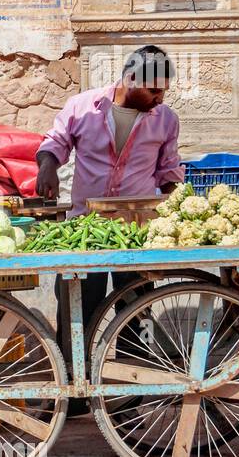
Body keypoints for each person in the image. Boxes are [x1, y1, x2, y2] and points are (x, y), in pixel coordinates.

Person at [36, 45, 185, 376]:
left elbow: (169, 170)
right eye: (154, 90)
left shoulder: (166, 121)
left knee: (135, 311)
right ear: (131, 79)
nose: (160, 98)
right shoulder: (83, 106)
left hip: (136, 233)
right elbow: (56, 141)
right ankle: (73, 388)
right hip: (85, 228)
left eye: (164, 90)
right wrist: (46, 165)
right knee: (77, 311)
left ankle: (127, 396)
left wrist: (179, 208)